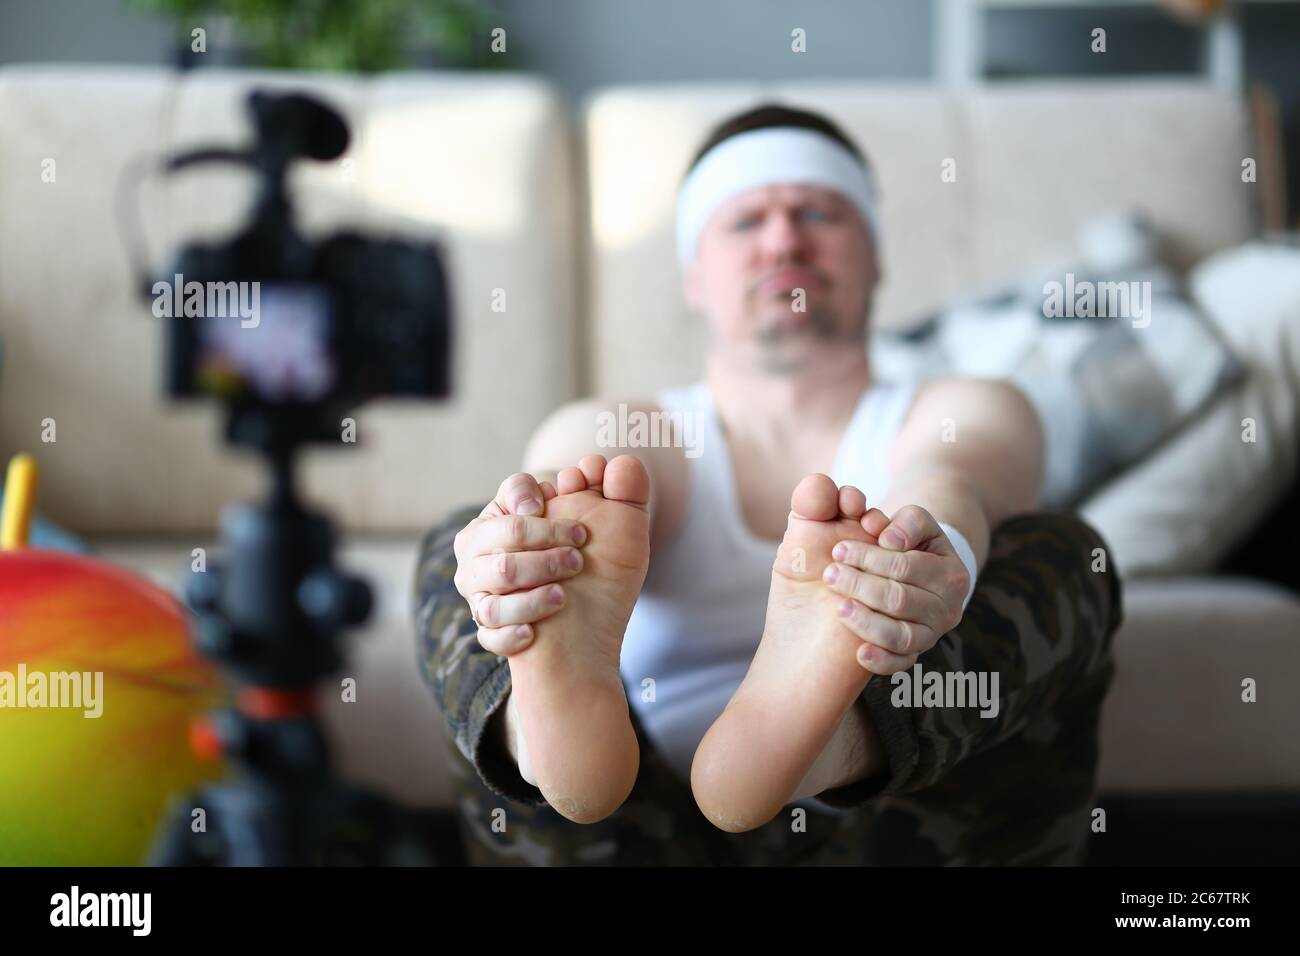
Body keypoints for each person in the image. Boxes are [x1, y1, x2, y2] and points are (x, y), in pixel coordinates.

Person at [414, 103, 1123, 865]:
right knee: (468, 542)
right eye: (747, 220)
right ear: (694, 273)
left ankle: (835, 742)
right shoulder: (636, 428)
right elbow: (579, 458)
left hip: (892, 825)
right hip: (636, 837)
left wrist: (924, 552)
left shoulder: (960, 405)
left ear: (877, 258)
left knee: (1063, 550)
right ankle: (541, 734)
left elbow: (952, 475)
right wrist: (524, 541)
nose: (784, 237)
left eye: (819, 211)